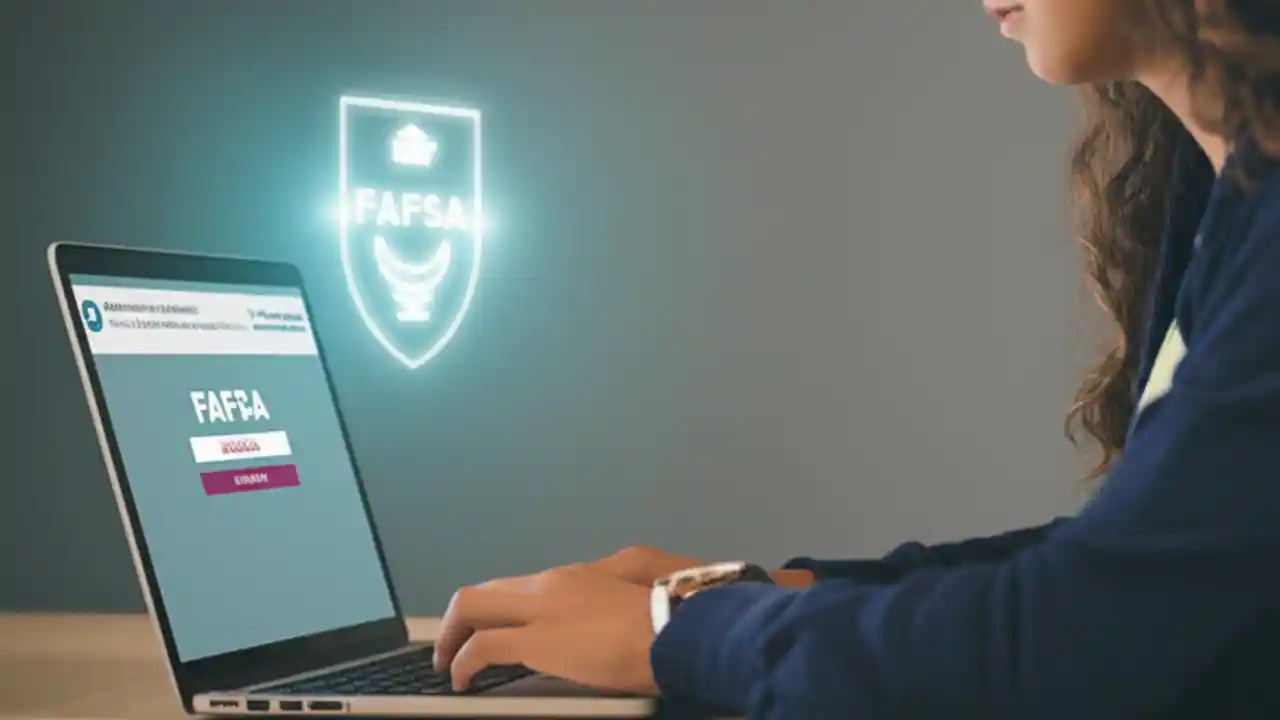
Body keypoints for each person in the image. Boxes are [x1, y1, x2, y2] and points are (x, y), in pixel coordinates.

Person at [433, 1, 1280, 716]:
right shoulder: (1220, 198)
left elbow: (1080, 636)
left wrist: (673, 633)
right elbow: (1147, 567)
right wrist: (762, 593)